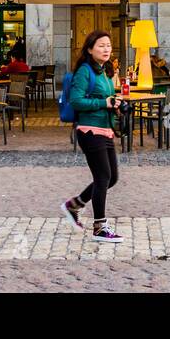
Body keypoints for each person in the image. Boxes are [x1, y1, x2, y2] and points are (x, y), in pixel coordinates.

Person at [60, 30, 123, 244]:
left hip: (105, 129)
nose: (106, 49)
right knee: (103, 176)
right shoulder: (84, 71)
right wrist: (103, 103)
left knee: (111, 178)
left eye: (108, 45)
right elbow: (76, 101)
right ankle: (100, 227)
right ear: (89, 49)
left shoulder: (104, 72)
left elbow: (105, 97)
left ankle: (74, 205)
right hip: (89, 130)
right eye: (101, 46)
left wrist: (114, 103)